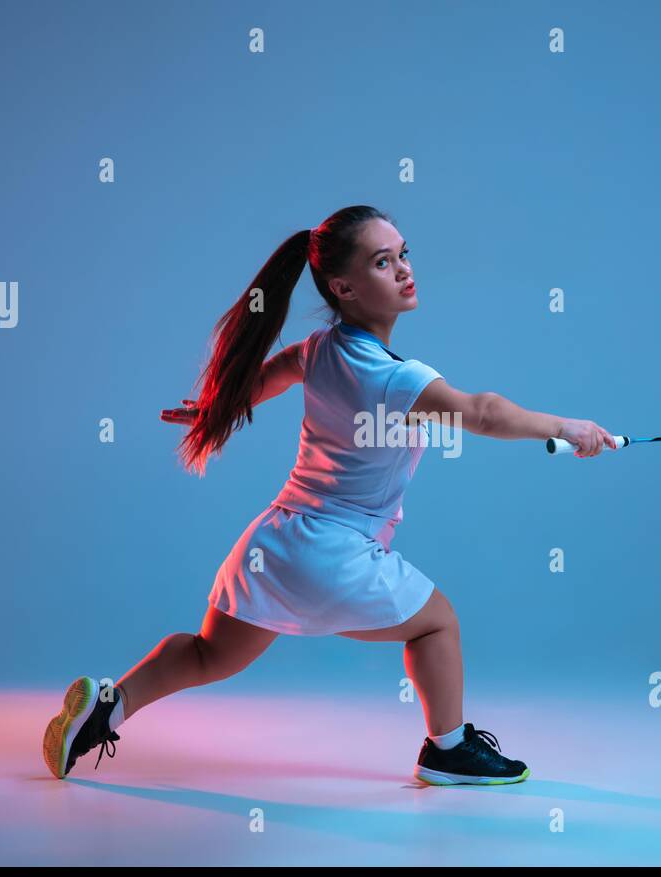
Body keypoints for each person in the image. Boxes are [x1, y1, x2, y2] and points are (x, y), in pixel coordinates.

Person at [42, 205, 616, 786]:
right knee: (437, 623)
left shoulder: (324, 349)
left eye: (403, 254)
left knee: (207, 654)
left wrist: (219, 406)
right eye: (382, 261)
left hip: (273, 542)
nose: (403, 270)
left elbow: (280, 368)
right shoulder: (394, 376)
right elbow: (483, 412)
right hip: (333, 553)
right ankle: (448, 749)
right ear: (344, 287)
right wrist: (566, 426)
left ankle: (105, 707)